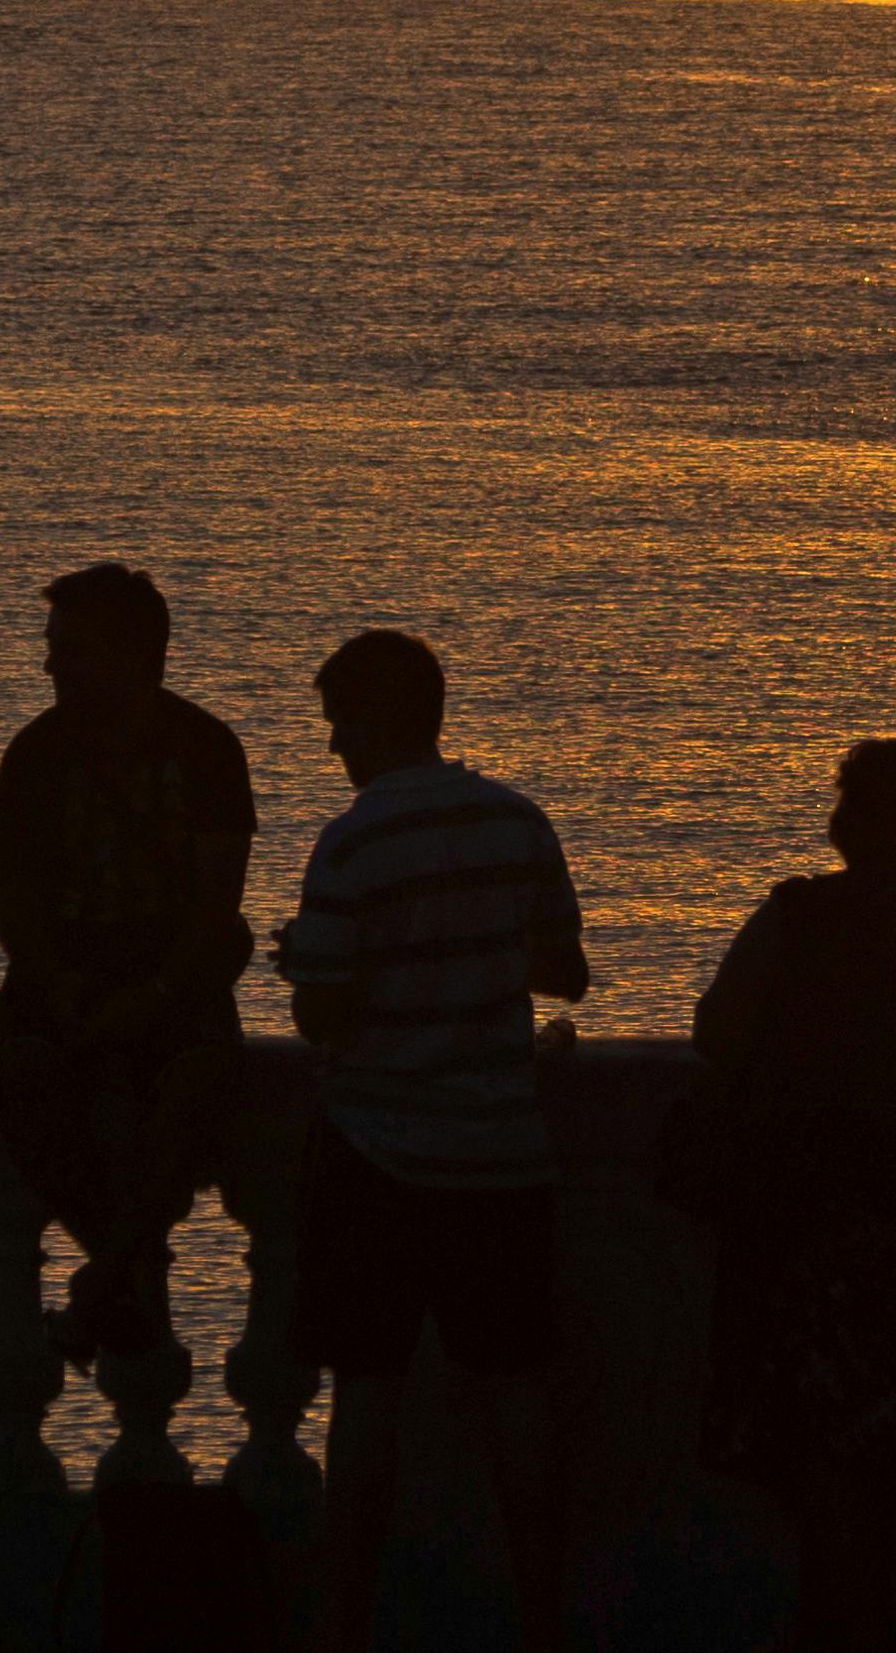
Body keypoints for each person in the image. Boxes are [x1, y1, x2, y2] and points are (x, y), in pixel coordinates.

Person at [274, 631, 588, 1653]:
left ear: (372, 722)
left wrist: (324, 969)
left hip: (377, 1153)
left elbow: (320, 1014)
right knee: (516, 1405)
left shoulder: (353, 843)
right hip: (501, 1154)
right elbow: (565, 971)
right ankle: (545, 1619)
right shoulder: (518, 822)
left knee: (366, 1401)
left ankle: (345, 1625)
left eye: (337, 722)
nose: (332, 746)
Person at [685, 739, 896, 1653]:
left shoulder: (796, 916)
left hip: (814, 1230)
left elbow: (718, 1033)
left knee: (826, 1473)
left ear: (848, 822)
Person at [0, 560, 254, 1369]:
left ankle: (103, 1286)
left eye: (71, 650)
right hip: (60, 981)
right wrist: (61, 989)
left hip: (177, 976)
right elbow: (15, 907)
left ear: (135, 656)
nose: (50, 666)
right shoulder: (33, 753)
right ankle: (123, 1278)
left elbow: (216, 907)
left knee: (198, 1087)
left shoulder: (207, 749)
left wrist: (158, 994)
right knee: (21, 1080)